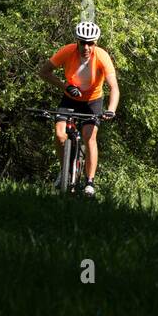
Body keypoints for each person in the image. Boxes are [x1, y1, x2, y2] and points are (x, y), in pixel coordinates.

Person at [37, 21, 119, 196]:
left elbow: (114, 87)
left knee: (90, 137)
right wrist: (64, 85)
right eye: (83, 42)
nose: (86, 47)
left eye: (90, 43)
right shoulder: (67, 51)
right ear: (77, 41)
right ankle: (65, 170)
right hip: (69, 99)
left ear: (95, 43)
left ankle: (89, 181)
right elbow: (44, 72)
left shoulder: (102, 56)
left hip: (92, 101)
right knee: (59, 134)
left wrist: (111, 109)